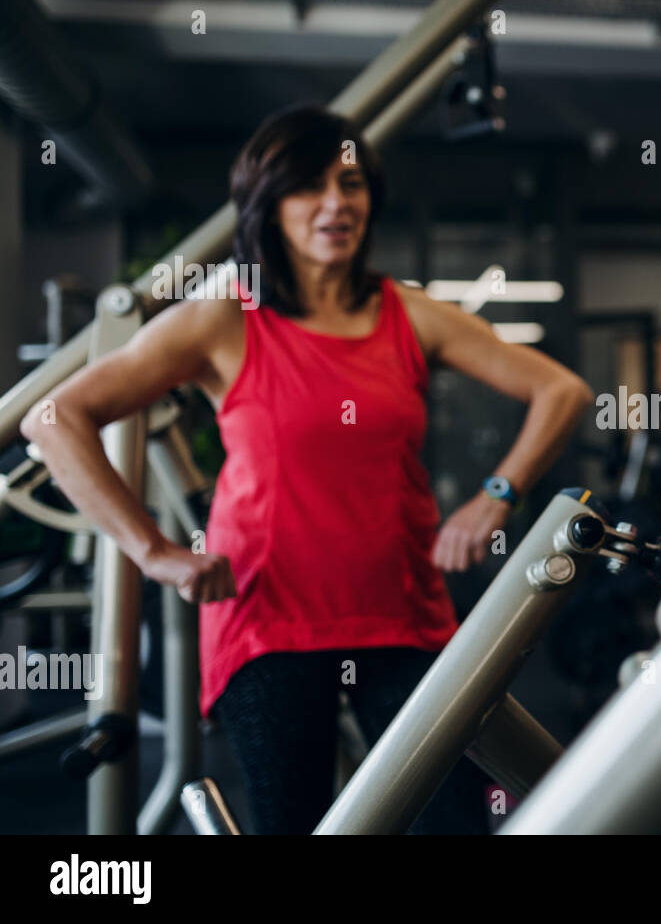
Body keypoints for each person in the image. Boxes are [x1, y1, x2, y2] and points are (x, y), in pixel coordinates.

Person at [22, 105, 594, 834]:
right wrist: (155, 553)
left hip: (404, 614)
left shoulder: (409, 313)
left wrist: (497, 494)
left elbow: (563, 389)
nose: (336, 203)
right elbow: (55, 418)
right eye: (309, 187)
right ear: (270, 205)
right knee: (296, 823)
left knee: (454, 818)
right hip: (269, 622)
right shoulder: (227, 315)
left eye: (351, 184)